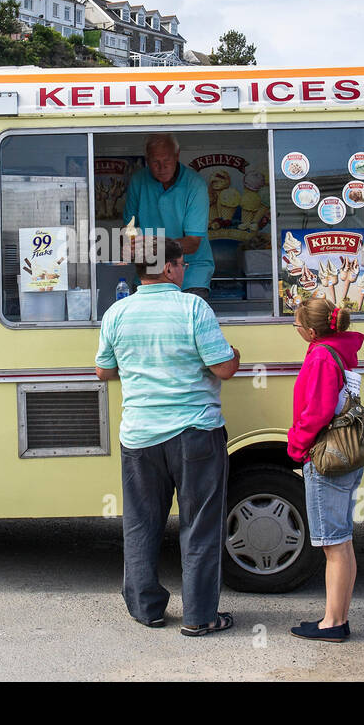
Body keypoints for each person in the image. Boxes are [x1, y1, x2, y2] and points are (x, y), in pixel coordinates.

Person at [94, 234, 240, 635]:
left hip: (140, 435)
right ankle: (200, 617)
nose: (183, 271)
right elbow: (224, 368)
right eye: (181, 265)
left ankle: (147, 610)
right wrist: (236, 355)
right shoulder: (193, 306)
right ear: (171, 267)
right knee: (200, 524)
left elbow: (104, 372)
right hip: (195, 434)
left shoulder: (117, 313)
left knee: (141, 523)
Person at [286, 298, 364, 642]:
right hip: (346, 454)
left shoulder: (320, 356)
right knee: (342, 542)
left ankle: (332, 623)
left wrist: (296, 445)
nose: (296, 330)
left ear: (310, 330)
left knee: (333, 544)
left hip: (325, 457)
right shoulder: (340, 351)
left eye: (296, 325)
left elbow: (317, 411)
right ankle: (338, 617)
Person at [122, 133, 214, 300]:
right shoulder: (138, 181)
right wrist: (130, 241)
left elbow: (193, 242)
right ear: (147, 159)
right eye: (155, 162)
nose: (162, 167)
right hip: (149, 274)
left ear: (177, 156)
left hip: (190, 274)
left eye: (167, 161)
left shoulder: (195, 184)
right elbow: (129, 226)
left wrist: (151, 246)